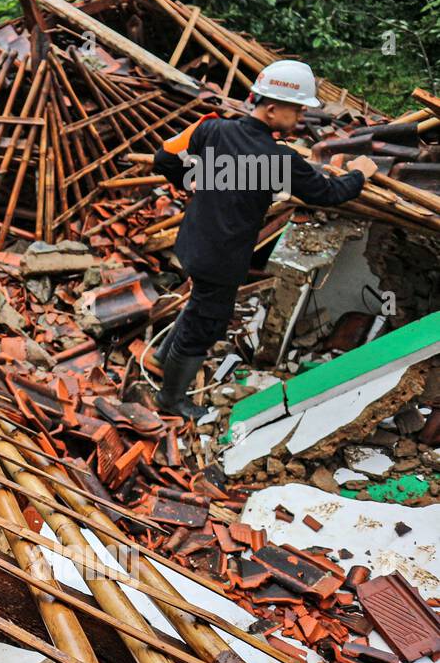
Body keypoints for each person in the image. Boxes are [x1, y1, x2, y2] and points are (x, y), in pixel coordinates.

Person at [150, 59, 379, 420]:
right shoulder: (278, 159)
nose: (301, 117)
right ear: (272, 109)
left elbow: (163, 159)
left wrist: (191, 182)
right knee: (206, 322)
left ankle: (163, 356)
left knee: (200, 301)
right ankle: (171, 400)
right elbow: (330, 193)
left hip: (193, 243)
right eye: (297, 109)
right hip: (223, 257)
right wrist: (359, 175)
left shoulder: (210, 131)